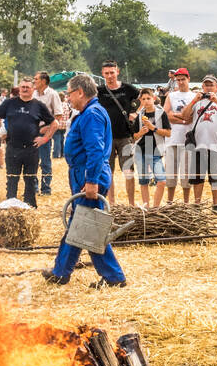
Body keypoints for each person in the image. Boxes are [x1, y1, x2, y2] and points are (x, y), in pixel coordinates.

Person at [43, 74, 127, 288]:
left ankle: (114, 277)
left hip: (89, 176)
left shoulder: (92, 114)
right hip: (84, 174)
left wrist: (91, 181)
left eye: (69, 93)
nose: (68, 98)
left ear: (80, 92)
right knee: (81, 226)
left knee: (88, 228)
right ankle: (61, 272)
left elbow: (96, 150)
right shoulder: (88, 112)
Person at [176, 76, 217, 211]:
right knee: (197, 177)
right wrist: (194, 100)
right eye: (206, 85)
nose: (208, 87)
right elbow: (184, 115)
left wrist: (216, 101)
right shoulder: (197, 101)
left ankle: (216, 205)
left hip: (216, 144)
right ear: (202, 87)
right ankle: (197, 205)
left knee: (216, 177)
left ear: (216, 87)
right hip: (198, 144)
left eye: (211, 85)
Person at [0, 78, 55, 207]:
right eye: (23, 87)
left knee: (30, 180)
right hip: (12, 148)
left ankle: (30, 208)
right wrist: (0, 131)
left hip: (31, 149)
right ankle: (10, 208)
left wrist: (44, 139)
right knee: (12, 180)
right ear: (19, 88)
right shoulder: (9, 103)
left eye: (28, 87)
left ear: (33, 89)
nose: (25, 89)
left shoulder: (38, 105)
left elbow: (54, 123)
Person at [96, 62, 140, 206]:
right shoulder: (99, 91)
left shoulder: (129, 89)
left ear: (118, 72)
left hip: (126, 136)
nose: (109, 76)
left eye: (112, 72)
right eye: (106, 73)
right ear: (102, 74)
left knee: (128, 171)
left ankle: (131, 204)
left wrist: (135, 113)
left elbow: (143, 98)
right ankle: (112, 204)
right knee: (108, 172)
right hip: (106, 137)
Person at [162, 67, 197, 203]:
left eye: (183, 79)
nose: (180, 82)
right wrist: (182, 119)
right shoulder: (171, 96)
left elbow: (192, 116)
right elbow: (165, 115)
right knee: (170, 174)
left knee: (186, 174)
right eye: (178, 80)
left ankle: (186, 202)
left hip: (187, 139)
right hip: (172, 138)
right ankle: (170, 202)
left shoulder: (194, 96)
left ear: (188, 79)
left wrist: (175, 115)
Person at [131, 88, 169, 207]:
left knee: (161, 181)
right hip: (140, 150)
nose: (146, 101)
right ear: (141, 101)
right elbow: (134, 137)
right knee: (144, 181)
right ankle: (146, 208)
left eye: (148, 98)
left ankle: (155, 208)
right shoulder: (140, 116)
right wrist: (141, 133)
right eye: (143, 99)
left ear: (153, 98)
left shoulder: (161, 113)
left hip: (155, 150)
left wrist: (154, 128)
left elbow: (168, 133)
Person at [32, 72, 62, 196]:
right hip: (31, 131)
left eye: (36, 79)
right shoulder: (33, 94)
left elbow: (58, 115)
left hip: (44, 132)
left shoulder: (53, 94)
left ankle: (46, 189)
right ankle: (33, 188)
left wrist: (47, 128)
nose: (34, 81)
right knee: (31, 161)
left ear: (43, 81)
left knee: (45, 161)